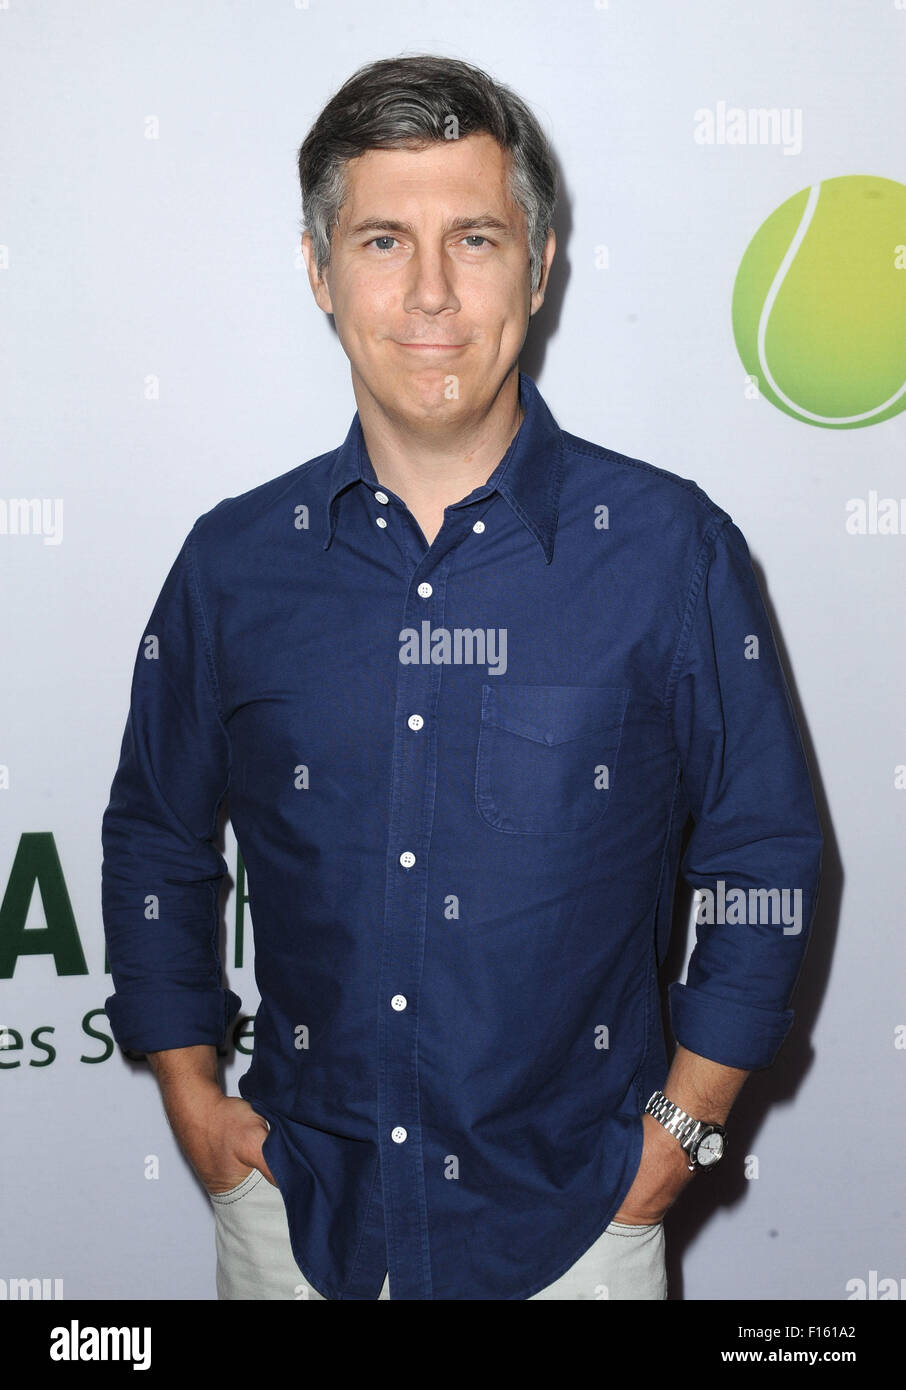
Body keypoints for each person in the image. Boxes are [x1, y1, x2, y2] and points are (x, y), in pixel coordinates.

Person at [101, 53, 823, 1301]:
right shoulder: (231, 566)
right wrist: (193, 1103)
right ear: (321, 273)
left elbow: (767, 863)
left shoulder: (669, 552)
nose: (430, 292)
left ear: (537, 269)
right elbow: (156, 845)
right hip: (295, 1228)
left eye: (475, 238)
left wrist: (678, 1141)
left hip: (578, 1236)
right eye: (384, 239)